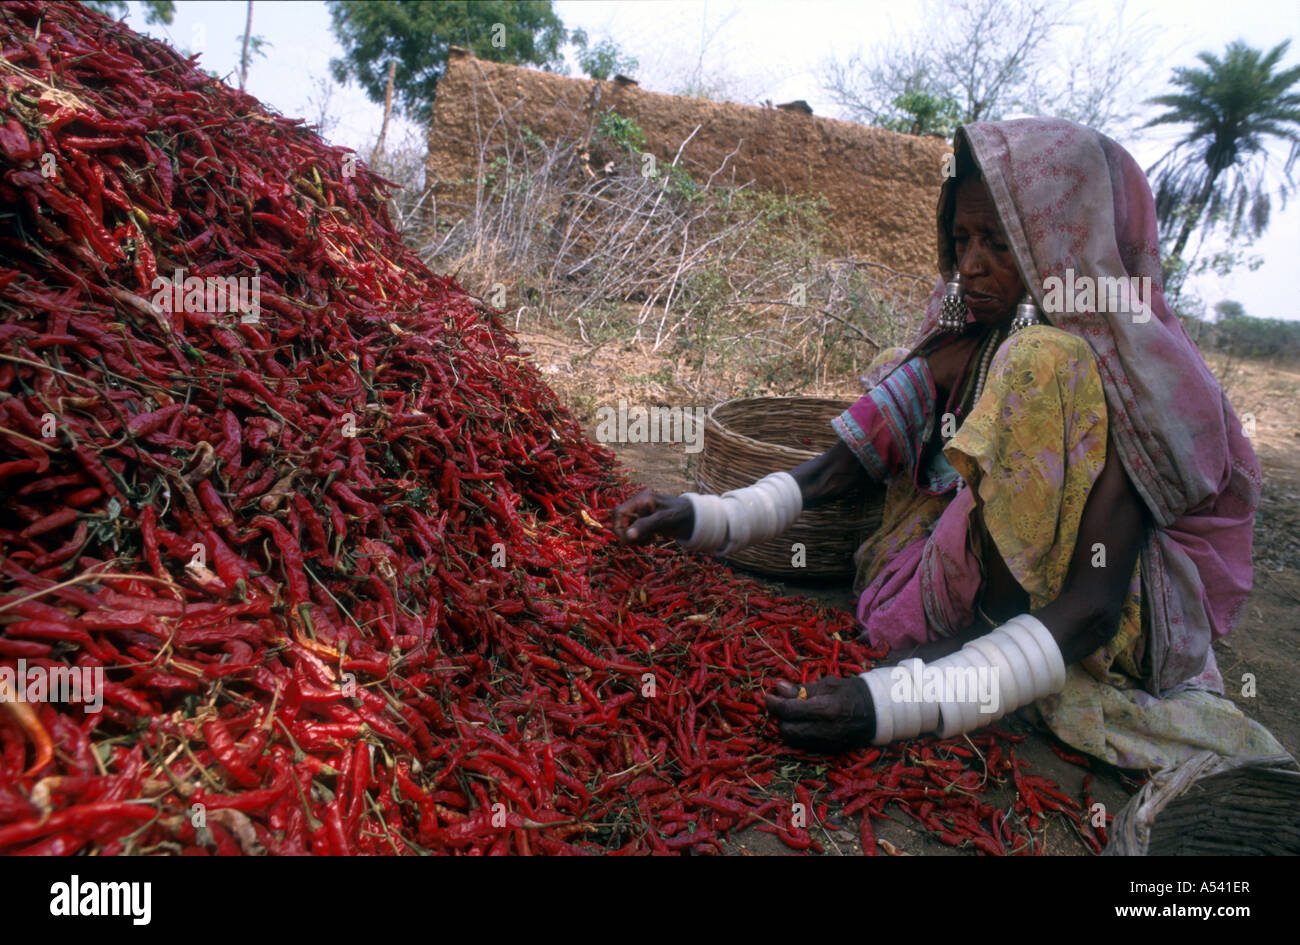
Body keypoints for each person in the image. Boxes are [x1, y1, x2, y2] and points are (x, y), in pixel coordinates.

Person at [612, 117, 1287, 771]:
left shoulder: (1135, 386)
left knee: (1041, 361)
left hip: (1093, 636)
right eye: (961, 238)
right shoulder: (967, 339)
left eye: (999, 242)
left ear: (1068, 248)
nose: (969, 265)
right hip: (954, 593)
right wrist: (707, 516)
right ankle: (986, 647)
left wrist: (891, 702)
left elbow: (1091, 612)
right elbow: (838, 470)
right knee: (1006, 361)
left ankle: (988, 652)